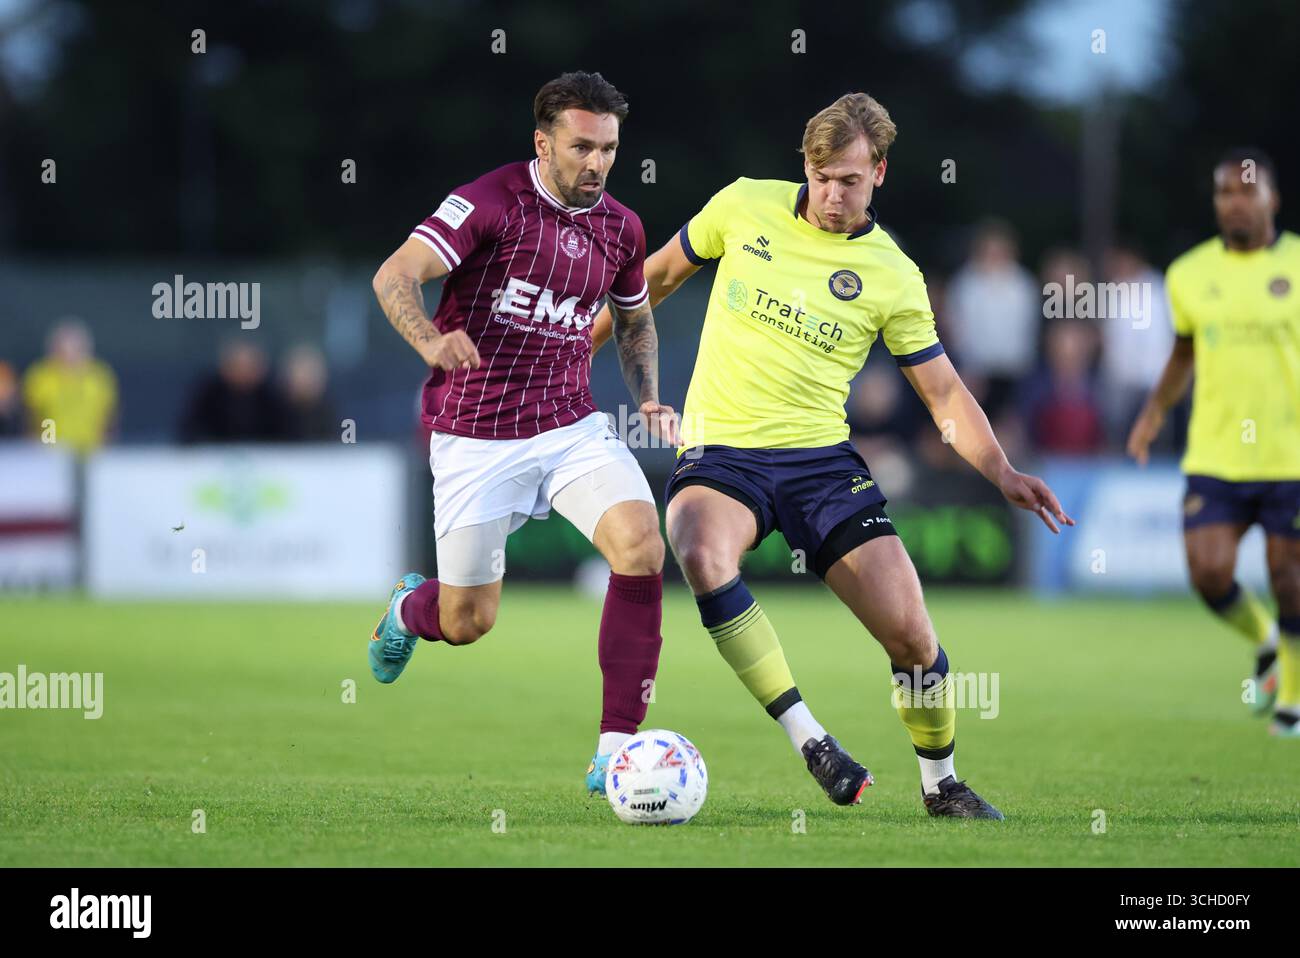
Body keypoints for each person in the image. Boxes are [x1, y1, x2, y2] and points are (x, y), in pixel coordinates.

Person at [592, 93, 1073, 818]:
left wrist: (1001, 470)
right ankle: (811, 739)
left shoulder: (891, 274)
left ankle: (942, 783)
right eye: (820, 176)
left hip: (821, 465)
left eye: (848, 179)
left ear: (879, 172)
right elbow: (652, 280)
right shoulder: (744, 206)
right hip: (723, 452)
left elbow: (943, 395)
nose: (831, 193)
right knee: (696, 545)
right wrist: (571, 352)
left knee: (913, 636)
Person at [369, 72, 676, 790]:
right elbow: (395, 276)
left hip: (569, 426)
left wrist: (651, 396)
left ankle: (614, 754)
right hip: (476, 431)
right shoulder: (490, 201)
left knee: (640, 545)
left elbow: (633, 319)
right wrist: (429, 343)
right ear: (542, 143)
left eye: (608, 148)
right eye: (580, 147)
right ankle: (410, 608)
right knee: (468, 620)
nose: (596, 163)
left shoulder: (621, 227)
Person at [1128, 148, 1300, 737]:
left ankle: (1292, 701)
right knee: (1208, 572)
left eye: (1247, 191)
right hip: (1217, 454)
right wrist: (1153, 412)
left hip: (1290, 455)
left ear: (1272, 198)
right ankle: (1266, 638)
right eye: (1225, 191)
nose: (1236, 201)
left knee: (1289, 577)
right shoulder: (1189, 274)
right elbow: (1183, 354)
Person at [22, 319, 117, 455]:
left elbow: (109, 418)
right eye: (63, 349)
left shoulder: (99, 377)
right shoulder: (40, 377)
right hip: (49, 452)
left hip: (91, 452)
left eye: (76, 349)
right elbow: (31, 417)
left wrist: (104, 447)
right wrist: (38, 449)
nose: (69, 355)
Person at [178, 340, 285, 443]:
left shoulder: (271, 397)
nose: (243, 373)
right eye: (238, 366)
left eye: (249, 367)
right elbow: (190, 429)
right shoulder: (210, 394)